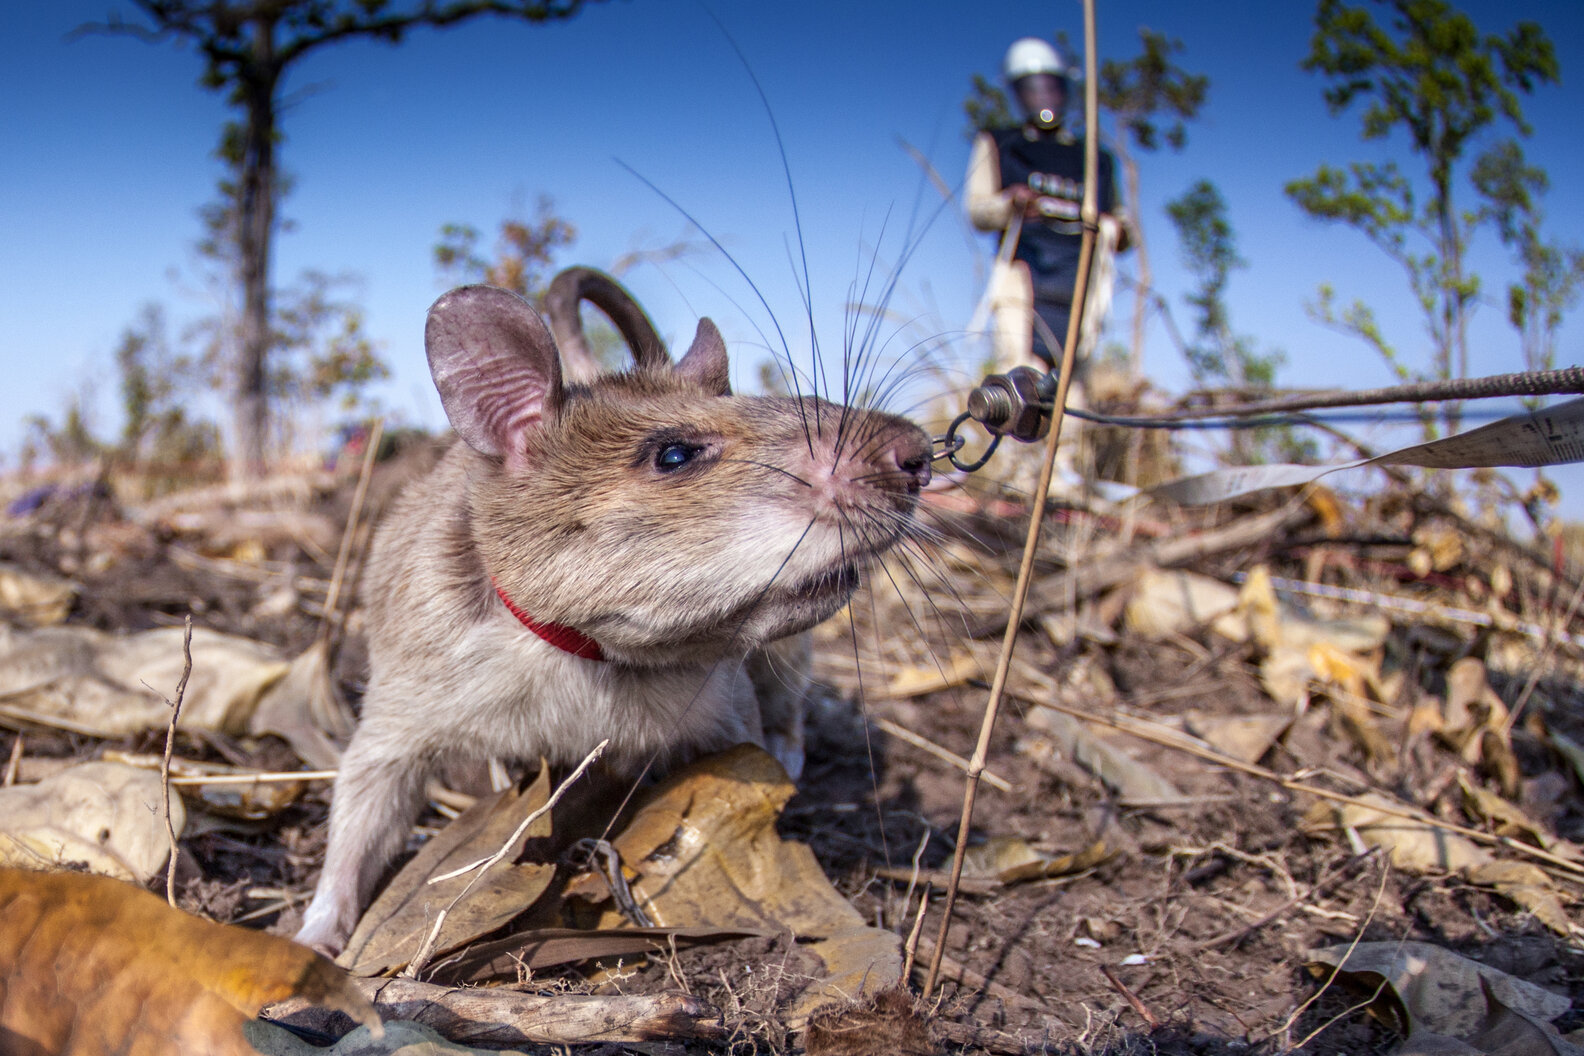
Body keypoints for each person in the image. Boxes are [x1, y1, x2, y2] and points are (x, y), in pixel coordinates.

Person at [967, 36, 1130, 375]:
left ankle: (1071, 427)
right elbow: (978, 211)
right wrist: (1009, 204)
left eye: (1051, 88)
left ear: (1065, 90)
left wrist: (1111, 227)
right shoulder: (1000, 144)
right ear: (1018, 94)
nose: (1043, 97)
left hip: (1081, 288)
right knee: (1021, 385)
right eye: (1032, 89)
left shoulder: (1094, 159)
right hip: (1024, 282)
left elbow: (1125, 228)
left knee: (1073, 395)